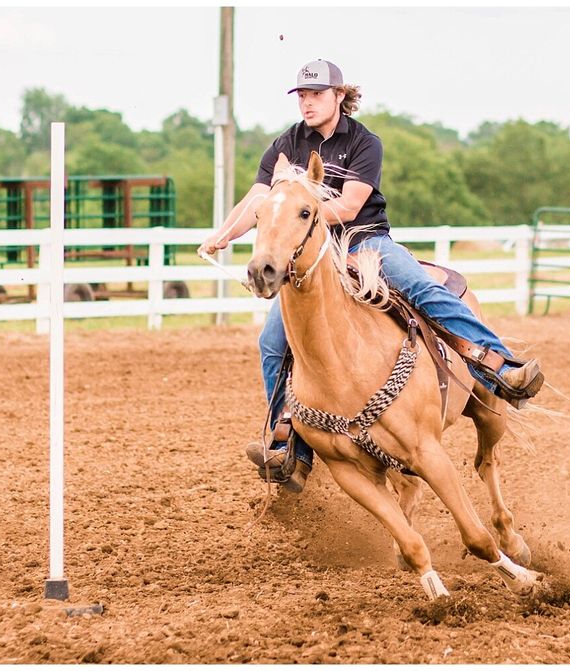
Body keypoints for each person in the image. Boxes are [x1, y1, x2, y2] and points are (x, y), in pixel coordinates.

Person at [198, 59, 543, 493]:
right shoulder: (286, 144)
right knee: (272, 340)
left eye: (317, 94)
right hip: (312, 256)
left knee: (419, 286)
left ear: (340, 96)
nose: (307, 102)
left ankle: (498, 366)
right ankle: (289, 448)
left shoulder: (364, 143)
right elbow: (259, 198)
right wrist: (223, 234)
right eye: (302, 95)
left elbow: (346, 207)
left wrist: (296, 212)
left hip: (364, 241)